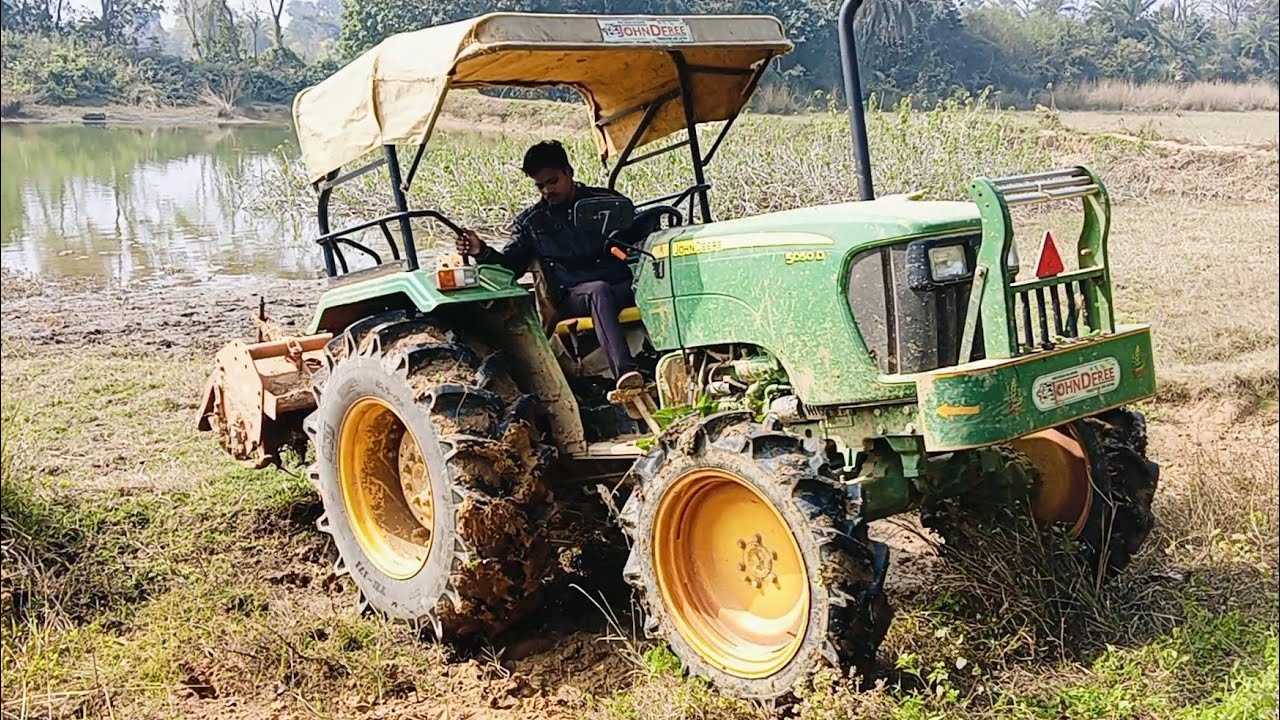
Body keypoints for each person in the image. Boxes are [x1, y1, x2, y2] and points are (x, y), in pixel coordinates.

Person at [457, 140, 644, 391]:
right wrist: (482, 251)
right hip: (572, 294)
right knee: (597, 291)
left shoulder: (606, 201)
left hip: (621, 284)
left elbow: (636, 232)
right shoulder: (533, 223)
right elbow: (511, 266)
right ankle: (626, 374)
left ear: (569, 172)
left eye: (552, 181)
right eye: (540, 185)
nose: (546, 190)